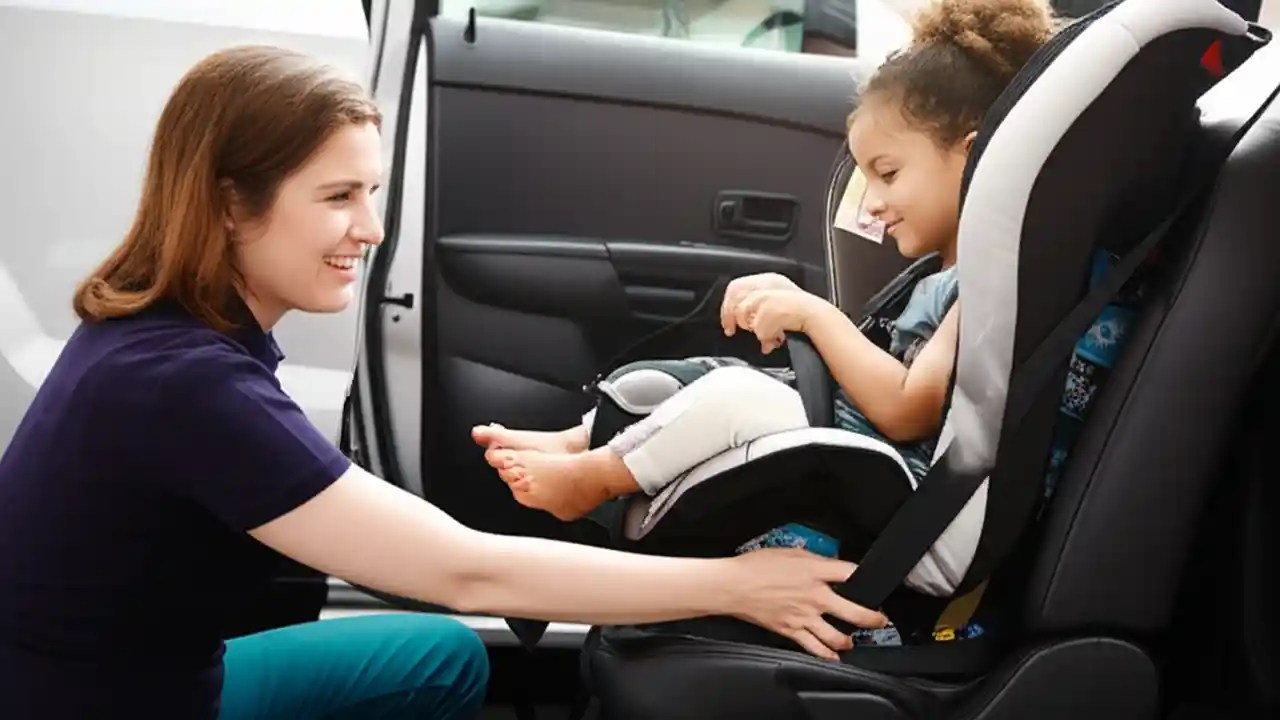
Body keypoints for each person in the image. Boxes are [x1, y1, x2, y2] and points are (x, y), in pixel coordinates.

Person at [0, 46, 890, 720]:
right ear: (232, 203)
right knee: (452, 634)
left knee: (445, 661)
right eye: (338, 196)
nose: (373, 227)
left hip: (143, 674)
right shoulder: (184, 386)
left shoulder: (163, 334)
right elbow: (465, 573)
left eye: (372, 192)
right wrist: (739, 584)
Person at [473, 0, 1055, 522]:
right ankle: (582, 440)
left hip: (897, 477)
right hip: (861, 439)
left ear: (976, 156)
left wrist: (815, 317)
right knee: (718, 375)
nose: (873, 202)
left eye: (890, 173)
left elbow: (909, 411)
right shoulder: (932, 275)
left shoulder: (989, 278)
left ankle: (594, 480)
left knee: (737, 399)